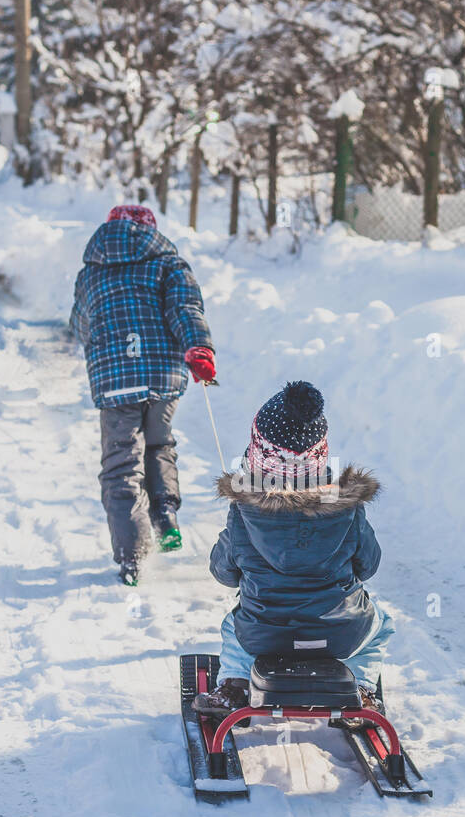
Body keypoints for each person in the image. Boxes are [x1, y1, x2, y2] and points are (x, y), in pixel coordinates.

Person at [194, 380, 394, 713]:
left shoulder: (244, 512)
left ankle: (234, 686)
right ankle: (361, 690)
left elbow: (224, 573)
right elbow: (368, 565)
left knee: (234, 625)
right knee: (381, 623)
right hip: (339, 633)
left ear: (258, 455)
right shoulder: (348, 507)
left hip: (265, 635)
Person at [70, 204, 216, 585]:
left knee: (121, 465)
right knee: (159, 445)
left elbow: (80, 325)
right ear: (151, 230)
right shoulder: (169, 264)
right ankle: (165, 516)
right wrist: (198, 348)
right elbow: (184, 308)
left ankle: (132, 555)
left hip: (115, 381)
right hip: (162, 375)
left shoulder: (90, 275)